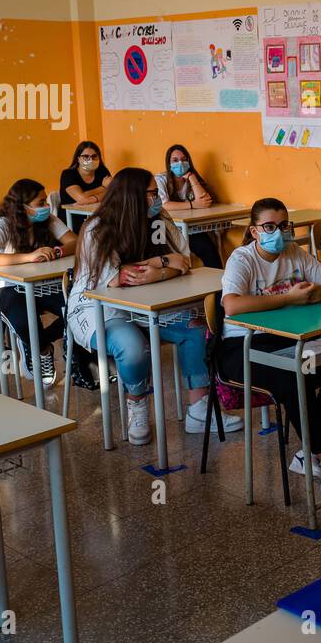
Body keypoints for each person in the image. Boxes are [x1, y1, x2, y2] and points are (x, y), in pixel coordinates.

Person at [65, 168, 240, 445]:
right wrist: (163, 263)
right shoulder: (97, 229)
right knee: (133, 347)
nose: (157, 198)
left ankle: (198, 408)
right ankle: (137, 405)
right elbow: (117, 280)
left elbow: (186, 261)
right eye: (151, 193)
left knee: (195, 328)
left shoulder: (158, 218)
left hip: (152, 300)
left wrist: (160, 269)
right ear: (132, 196)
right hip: (101, 309)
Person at [218, 197, 321, 495]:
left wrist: (317, 294)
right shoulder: (242, 259)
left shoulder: (294, 253)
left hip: (285, 339)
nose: (277, 232)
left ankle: (307, 453)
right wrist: (288, 298)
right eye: (269, 226)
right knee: (292, 378)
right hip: (242, 348)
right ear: (254, 231)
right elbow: (232, 306)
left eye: (283, 225)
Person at [0, 178, 77, 386]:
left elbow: (75, 242)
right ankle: (41, 350)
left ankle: (36, 342)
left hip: (42, 285)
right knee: (23, 317)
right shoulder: (2, 224)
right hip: (3, 288)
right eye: (40, 203)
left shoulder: (48, 220)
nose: (46, 207)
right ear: (22, 207)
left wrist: (57, 251)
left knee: (77, 308)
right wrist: (29, 256)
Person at [155, 144, 222, 269]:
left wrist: (192, 178)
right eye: (175, 160)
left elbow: (204, 201)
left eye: (184, 159)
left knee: (208, 248)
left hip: (190, 229)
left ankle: (220, 286)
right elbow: (164, 205)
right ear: (168, 164)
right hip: (166, 230)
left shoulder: (190, 179)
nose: (180, 163)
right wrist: (193, 205)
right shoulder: (160, 180)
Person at [59, 140, 112, 205]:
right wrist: (103, 188)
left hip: (96, 212)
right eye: (86, 156)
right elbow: (82, 199)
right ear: (78, 159)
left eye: (94, 156)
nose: (90, 160)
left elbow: (113, 193)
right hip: (72, 213)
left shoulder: (102, 170)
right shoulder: (68, 174)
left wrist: (89, 198)